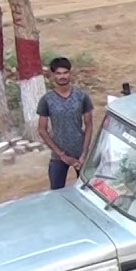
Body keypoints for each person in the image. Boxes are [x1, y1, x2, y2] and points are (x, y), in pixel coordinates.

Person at [37, 56, 95, 190]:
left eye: (65, 72)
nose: (62, 76)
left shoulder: (81, 97)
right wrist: (61, 155)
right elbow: (42, 130)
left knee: (88, 191)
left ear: (70, 73)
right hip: (58, 155)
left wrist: (84, 153)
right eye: (58, 73)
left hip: (81, 153)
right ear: (52, 75)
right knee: (56, 193)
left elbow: (89, 125)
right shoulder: (47, 100)